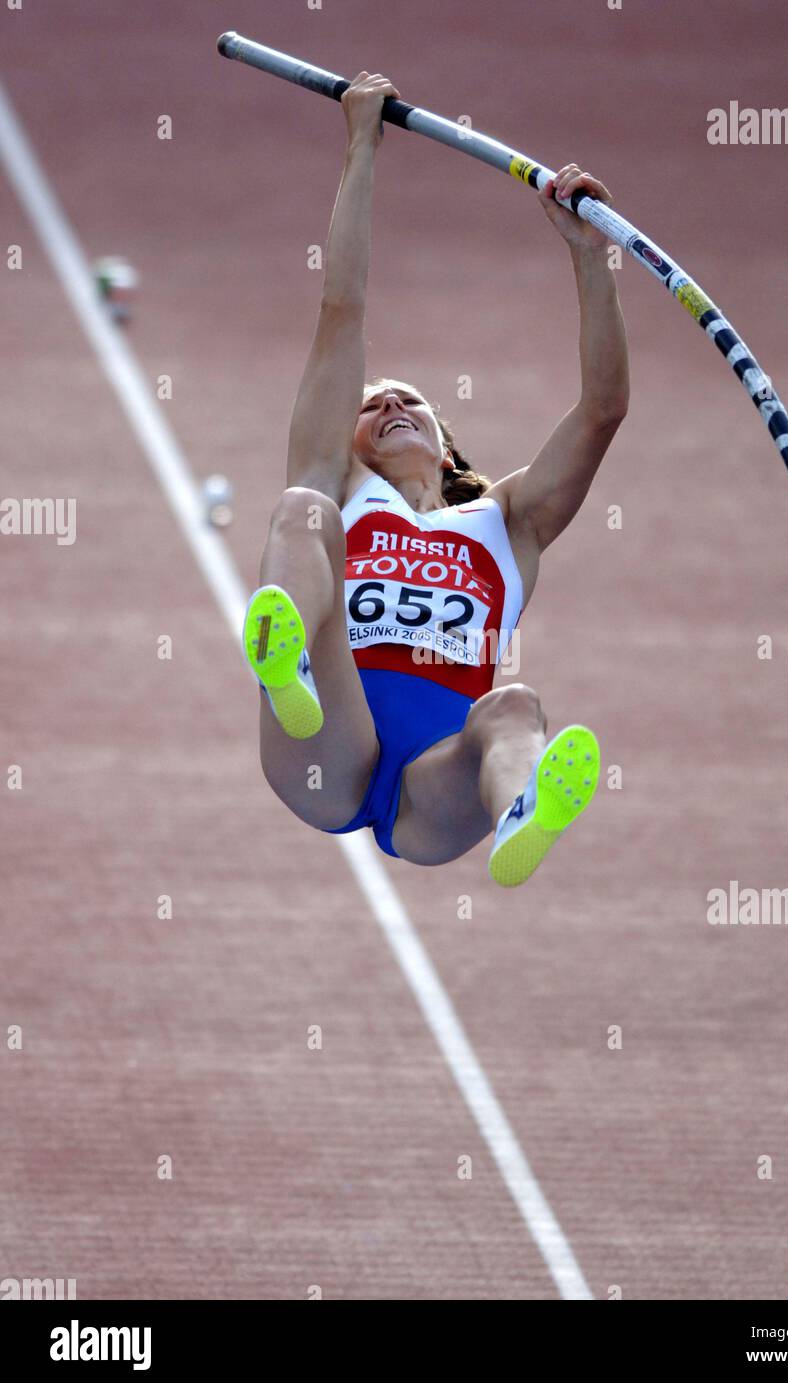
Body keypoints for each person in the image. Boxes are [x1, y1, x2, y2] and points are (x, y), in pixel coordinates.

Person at [243, 72, 629, 886]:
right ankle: (286, 664)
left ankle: (519, 809)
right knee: (300, 511)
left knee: (516, 707)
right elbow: (339, 308)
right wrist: (361, 144)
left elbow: (600, 410)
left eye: (405, 399)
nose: (384, 402)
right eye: (368, 404)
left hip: (432, 788)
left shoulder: (508, 523)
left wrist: (589, 260)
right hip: (325, 740)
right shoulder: (342, 486)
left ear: (446, 444)